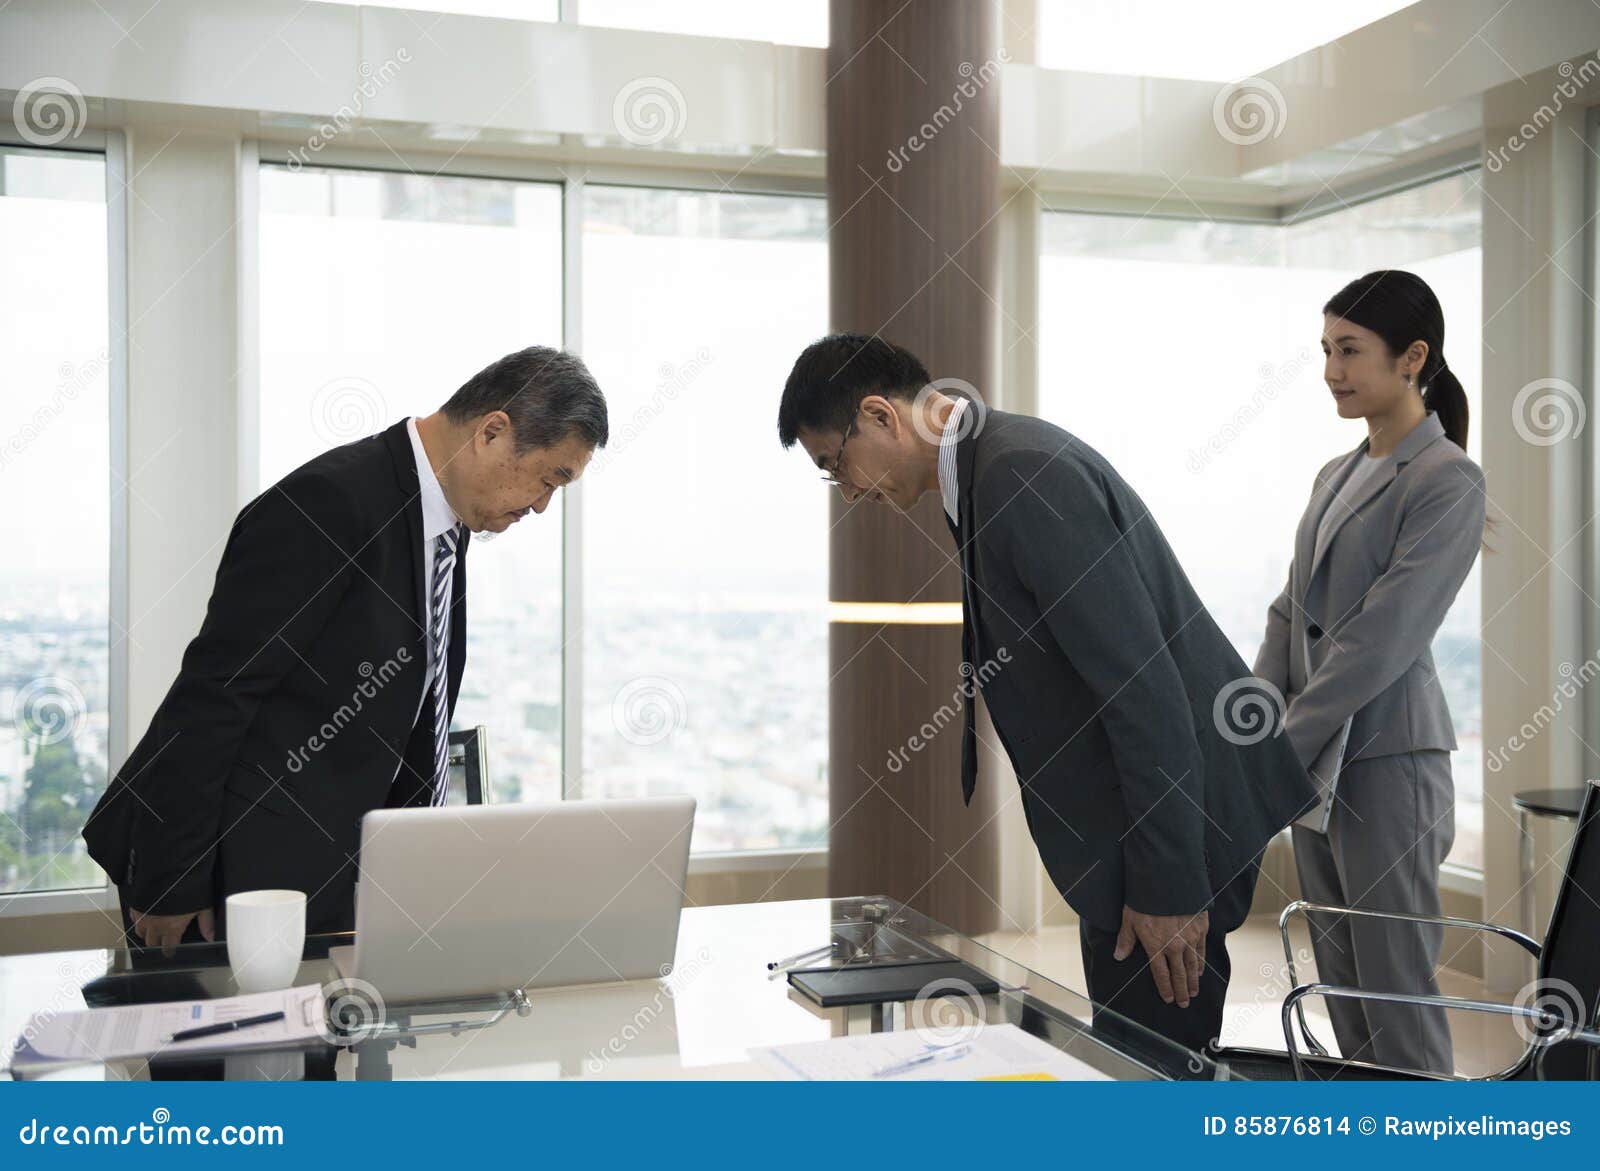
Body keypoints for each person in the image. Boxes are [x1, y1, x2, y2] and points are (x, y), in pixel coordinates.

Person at [777, 334, 1315, 1057]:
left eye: (833, 464)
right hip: (1144, 819)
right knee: (1132, 1059)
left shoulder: (1020, 474)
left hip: (1176, 825)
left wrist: (1168, 889)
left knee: (1155, 1073)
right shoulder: (984, 468)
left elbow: (1142, 690)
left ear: (880, 415)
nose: (847, 492)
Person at [83, 346, 608, 951]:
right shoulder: (329, 504)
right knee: (237, 1047)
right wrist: (168, 880)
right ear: (492, 432)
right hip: (236, 880)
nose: (542, 505)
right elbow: (214, 699)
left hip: (335, 878)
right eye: (550, 478)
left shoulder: (443, 523)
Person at [1255, 270, 1487, 1075]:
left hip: (1389, 762)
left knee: (1397, 991)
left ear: (1413, 356)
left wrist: (1282, 745)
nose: (1331, 370)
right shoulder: (1334, 472)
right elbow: (1291, 612)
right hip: (1316, 761)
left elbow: (1381, 640)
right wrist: (1253, 729)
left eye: (1349, 350)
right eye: (1325, 350)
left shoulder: (1446, 478)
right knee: (1345, 986)